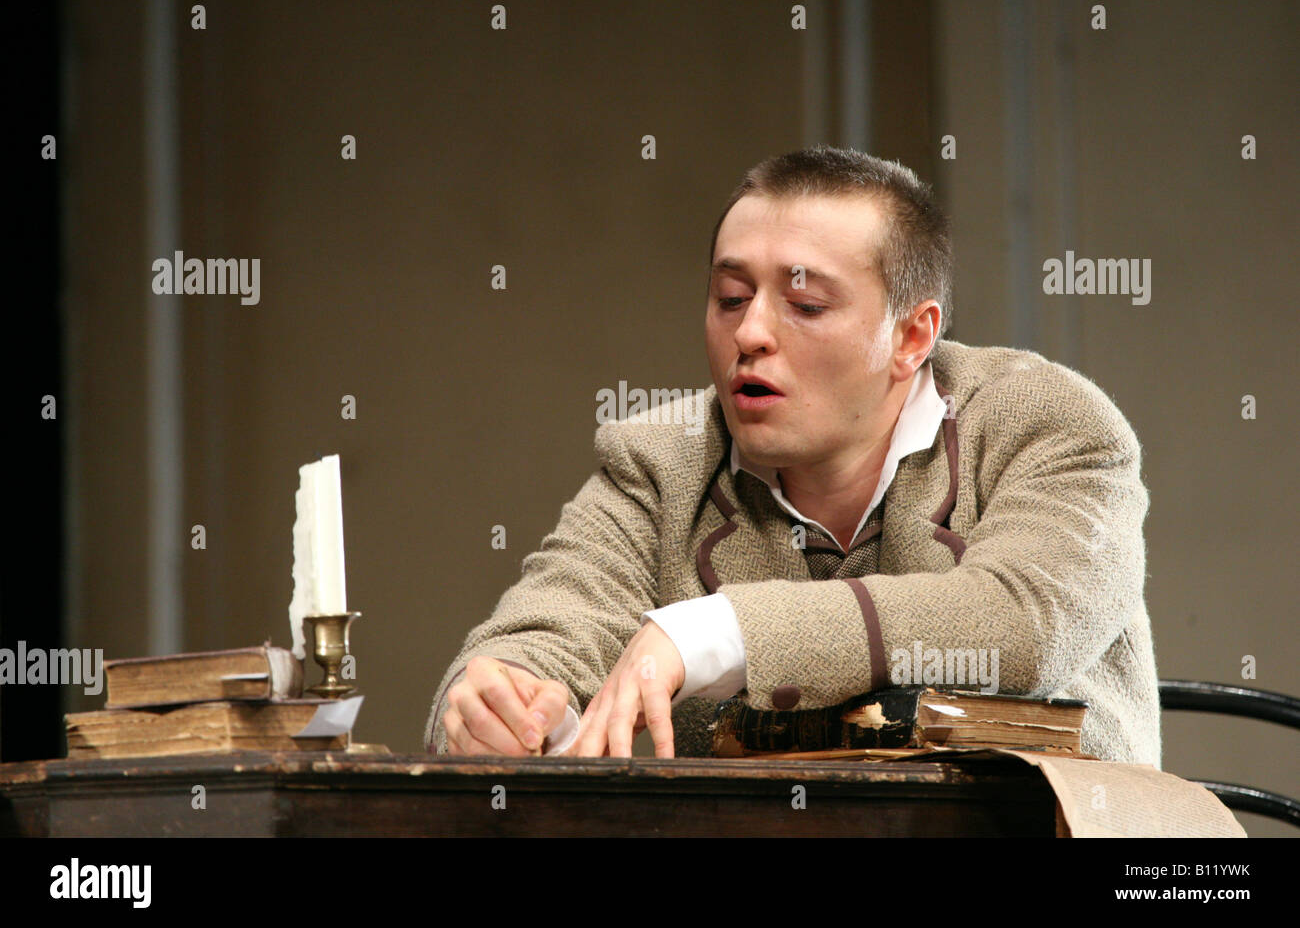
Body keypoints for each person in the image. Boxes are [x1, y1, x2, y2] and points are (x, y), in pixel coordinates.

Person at [424, 145, 1161, 766]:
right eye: (731, 296)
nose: (751, 333)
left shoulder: (1047, 421)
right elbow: (546, 630)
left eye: (805, 306)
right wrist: (507, 704)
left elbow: (1022, 620)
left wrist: (714, 633)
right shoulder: (658, 459)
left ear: (912, 336)